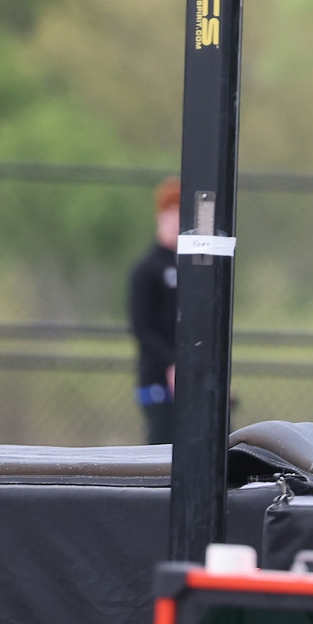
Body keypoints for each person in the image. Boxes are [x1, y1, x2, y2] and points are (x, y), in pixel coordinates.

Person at [126, 177, 182, 444]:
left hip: (189, 381)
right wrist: (171, 364)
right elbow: (141, 327)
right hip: (158, 381)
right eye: (173, 214)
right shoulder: (147, 269)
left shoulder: (192, 269)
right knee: (161, 452)